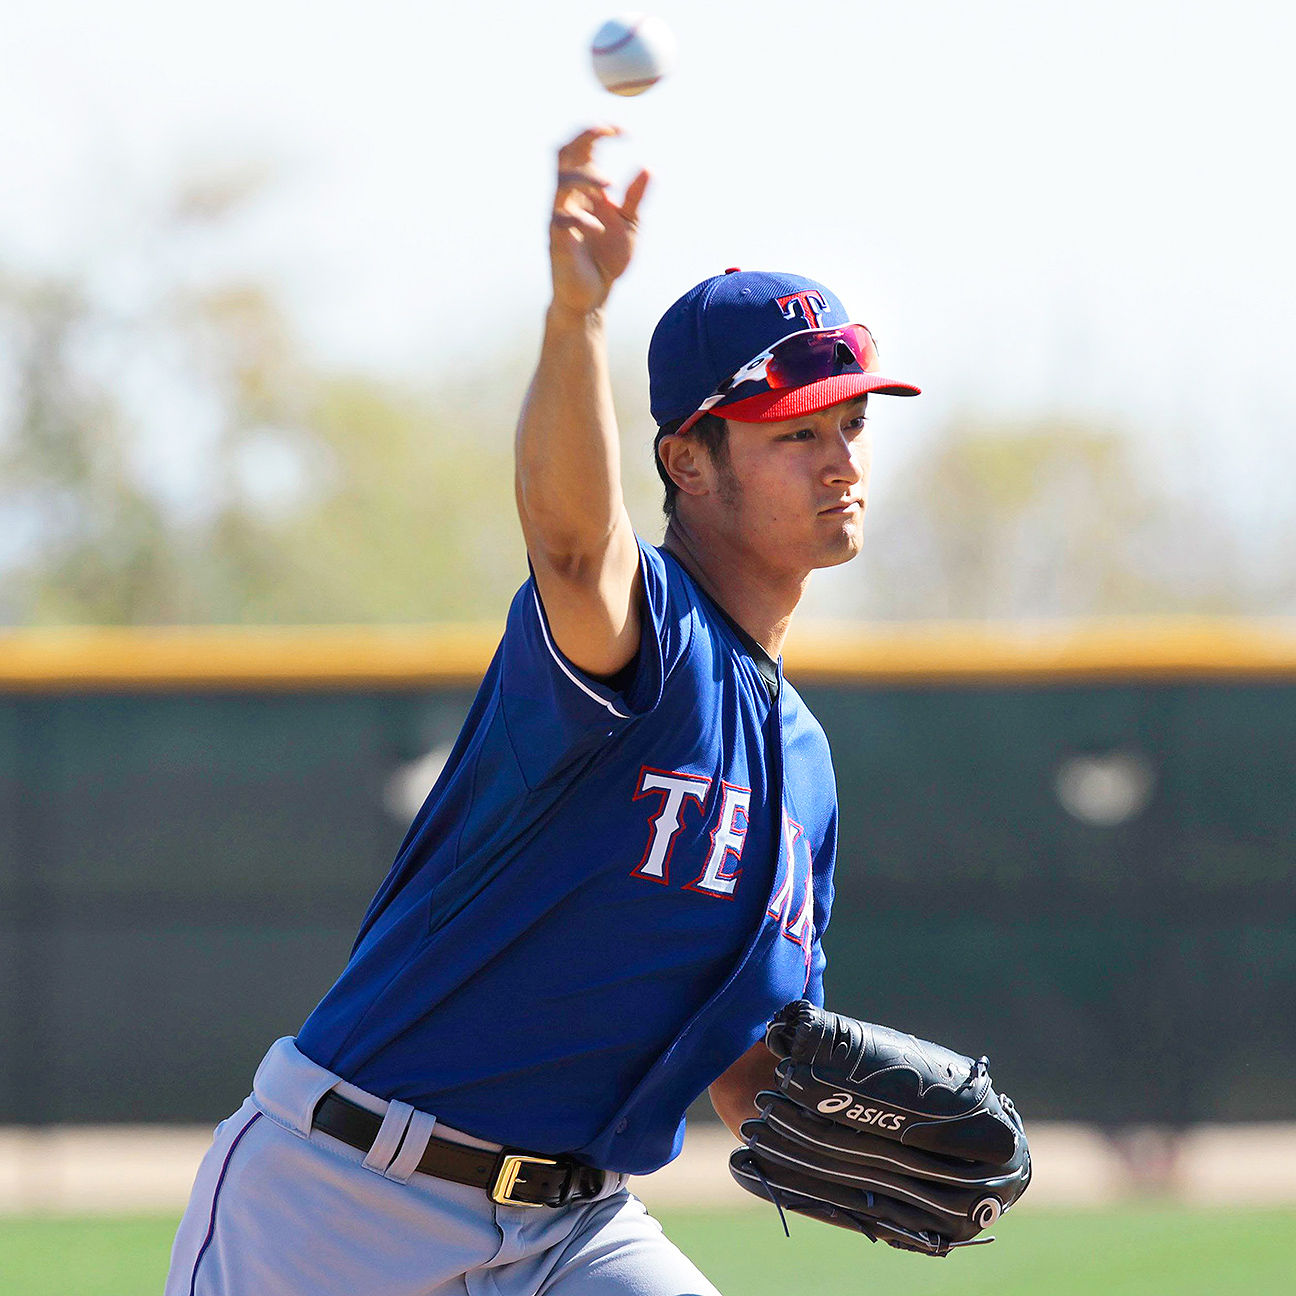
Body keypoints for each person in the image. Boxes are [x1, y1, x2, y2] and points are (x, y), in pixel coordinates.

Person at [165, 125, 919, 1296]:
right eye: (796, 434)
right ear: (689, 459)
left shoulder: (804, 765)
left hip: (571, 1231)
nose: (841, 461)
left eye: (851, 425)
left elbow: (743, 1062)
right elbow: (573, 545)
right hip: (344, 1198)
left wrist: (864, 1123)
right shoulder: (649, 630)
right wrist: (577, 318)